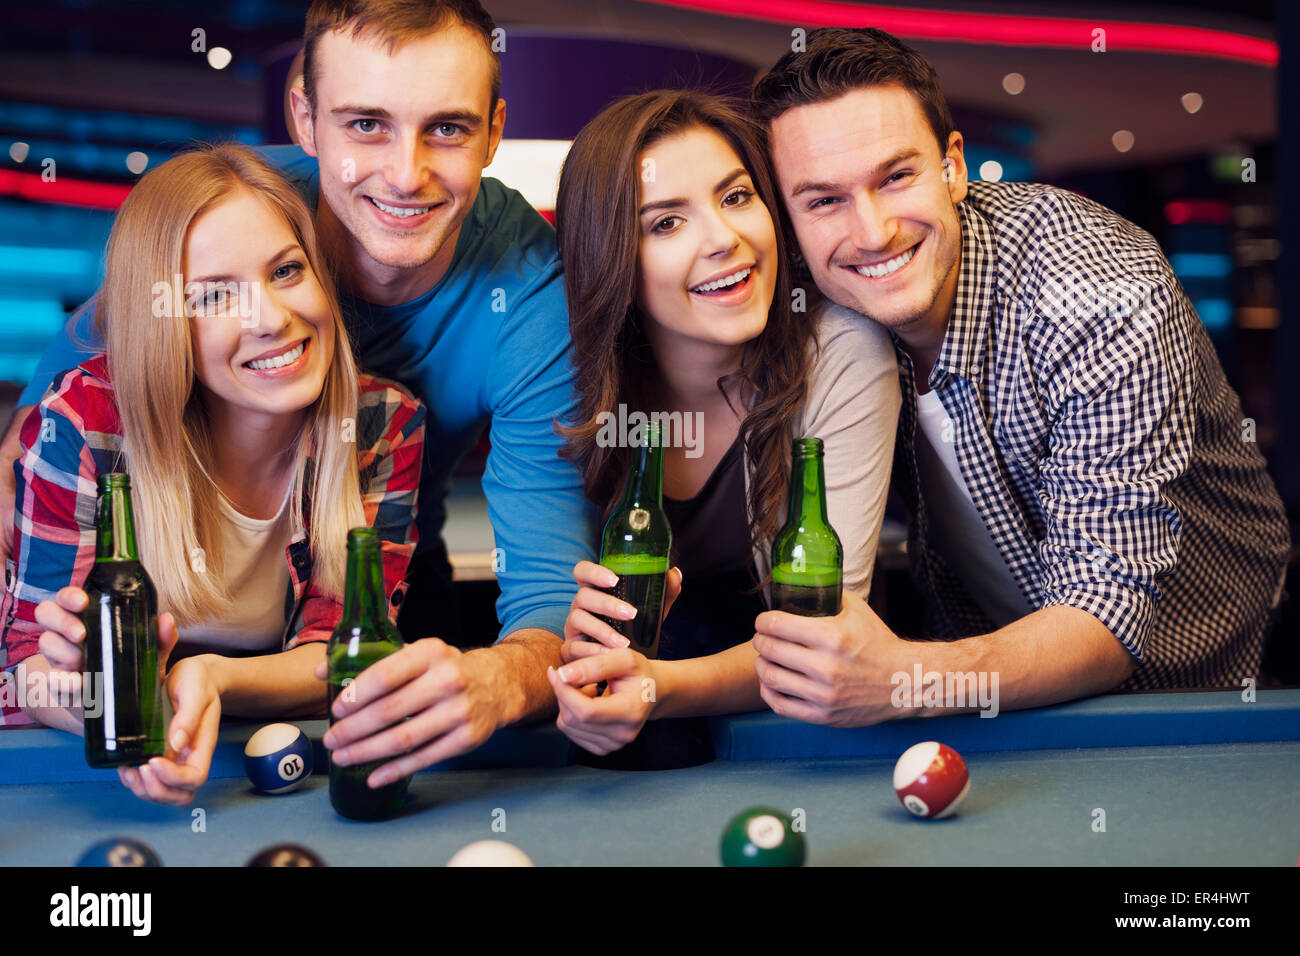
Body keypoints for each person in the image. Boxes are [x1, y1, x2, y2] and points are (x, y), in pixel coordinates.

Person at [0, 0, 598, 788]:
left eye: (447, 128)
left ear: (494, 131)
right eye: (366, 125)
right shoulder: (221, 217)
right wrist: (91, 681)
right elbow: (39, 446)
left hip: (361, 575)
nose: (406, 172)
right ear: (305, 118)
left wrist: (503, 678)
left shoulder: (500, 317)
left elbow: (540, 587)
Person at [742, 27, 1289, 725]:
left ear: (953, 167)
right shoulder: (802, 299)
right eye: (824, 201)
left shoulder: (1099, 295)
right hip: (991, 689)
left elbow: (1104, 616)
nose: (873, 231)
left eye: (896, 176)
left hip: (1196, 694)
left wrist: (907, 679)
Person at [0, 143, 425, 807]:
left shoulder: (382, 425)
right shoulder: (82, 422)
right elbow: (25, 667)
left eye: (286, 270)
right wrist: (116, 707)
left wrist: (211, 679)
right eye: (215, 296)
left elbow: (341, 653)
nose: (271, 320)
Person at [546, 90, 899, 765]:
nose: (724, 240)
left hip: (810, 747)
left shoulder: (841, 352)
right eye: (666, 224)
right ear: (611, 255)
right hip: (636, 752)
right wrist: (583, 636)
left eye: (736, 198)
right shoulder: (574, 380)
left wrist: (661, 686)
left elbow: (821, 639)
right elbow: (568, 625)